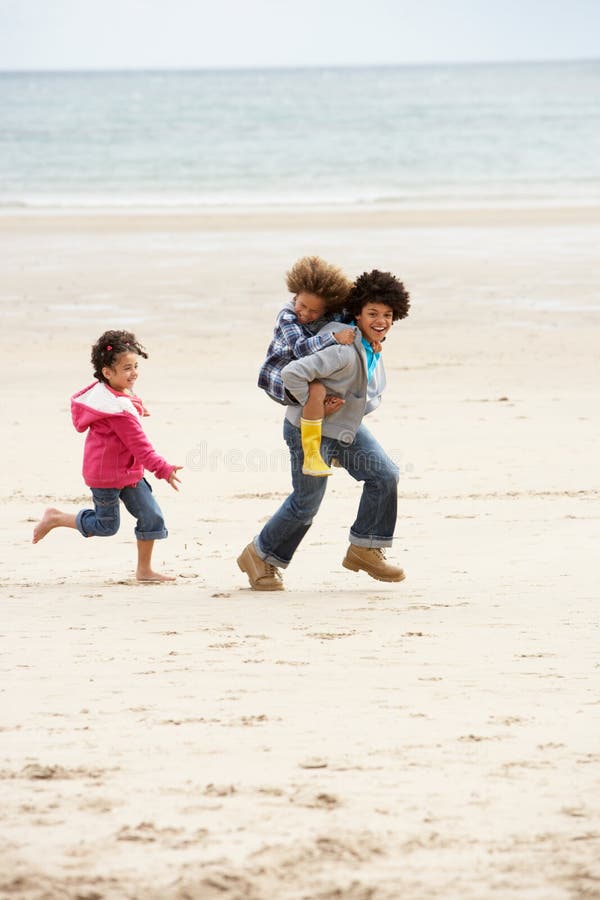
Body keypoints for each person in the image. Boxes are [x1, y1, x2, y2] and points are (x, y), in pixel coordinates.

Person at [238, 269, 410, 591]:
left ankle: (365, 547)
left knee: (384, 475)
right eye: (372, 313)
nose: (381, 321)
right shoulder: (342, 347)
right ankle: (260, 555)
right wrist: (310, 403)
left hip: (344, 428)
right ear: (356, 314)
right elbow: (292, 373)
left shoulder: (370, 346)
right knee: (306, 504)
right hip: (309, 430)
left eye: (387, 315)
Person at [32, 330, 182, 583]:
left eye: (135, 366)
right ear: (107, 372)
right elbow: (140, 447)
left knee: (151, 516)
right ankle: (56, 517)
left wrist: (137, 405)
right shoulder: (116, 412)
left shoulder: (111, 394)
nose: (133, 372)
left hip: (128, 472)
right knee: (106, 526)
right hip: (105, 476)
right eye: (126, 368)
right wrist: (163, 469)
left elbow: (123, 400)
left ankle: (144, 570)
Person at [258, 255, 356, 476]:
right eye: (302, 305)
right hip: (281, 379)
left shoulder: (327, 313)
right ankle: (312, 454)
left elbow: (350, 319)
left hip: (305, 372)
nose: (305, 313)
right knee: (318, 390)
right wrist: (334, 337)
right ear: (295, 295)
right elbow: (300, 348)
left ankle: (335, 448)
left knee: (339, 391)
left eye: (314, 311)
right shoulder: (287, 315)